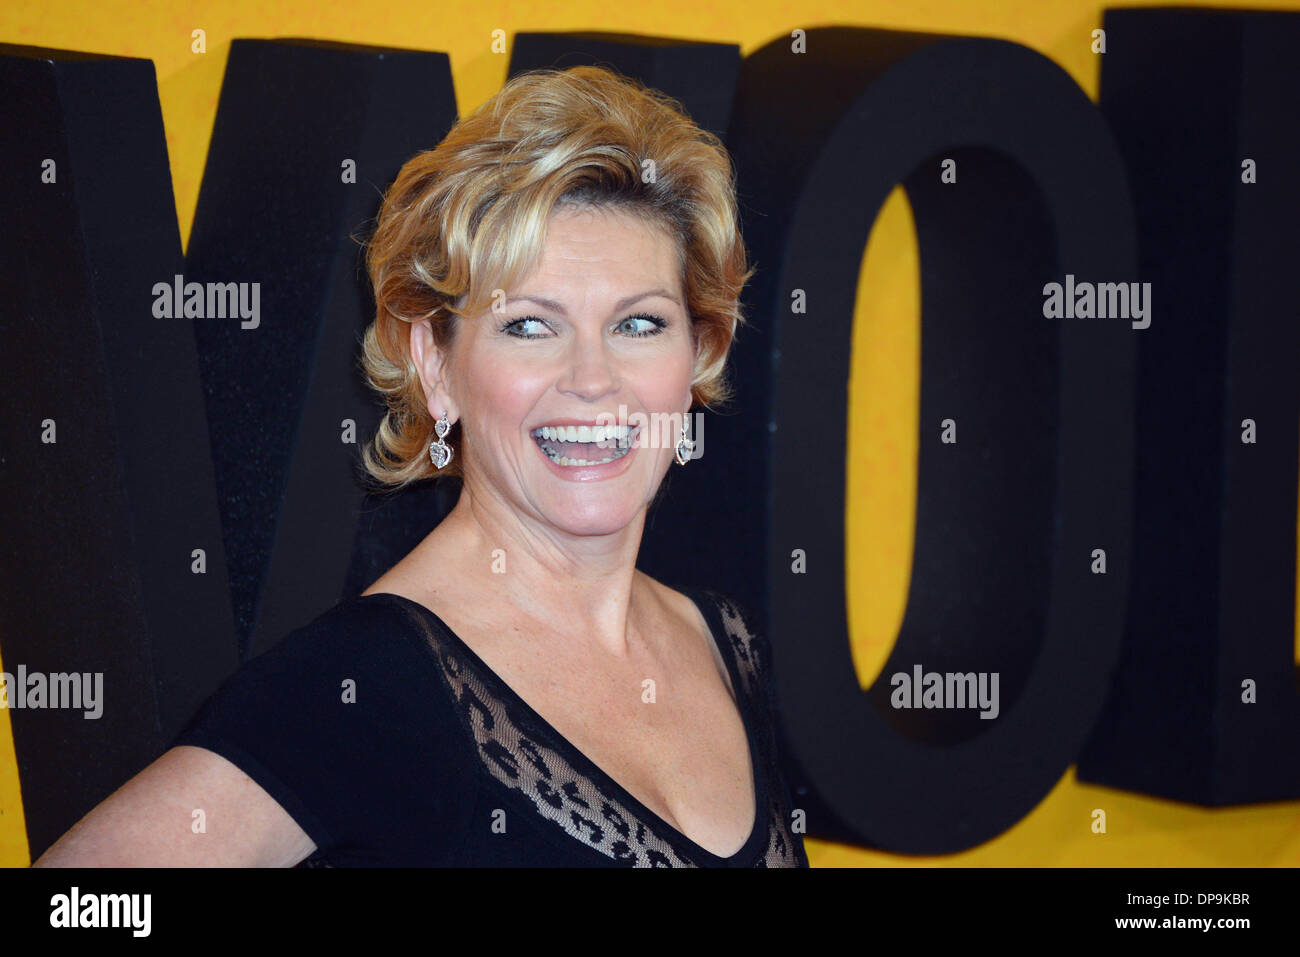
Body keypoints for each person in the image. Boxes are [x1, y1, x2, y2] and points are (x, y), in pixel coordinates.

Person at [33, 65, 808, 868]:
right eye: (529, 327)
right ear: (435, 366)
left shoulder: (723, 641)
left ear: (699, 355)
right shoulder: (367, 681)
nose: (592, 378)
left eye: (639, 323)